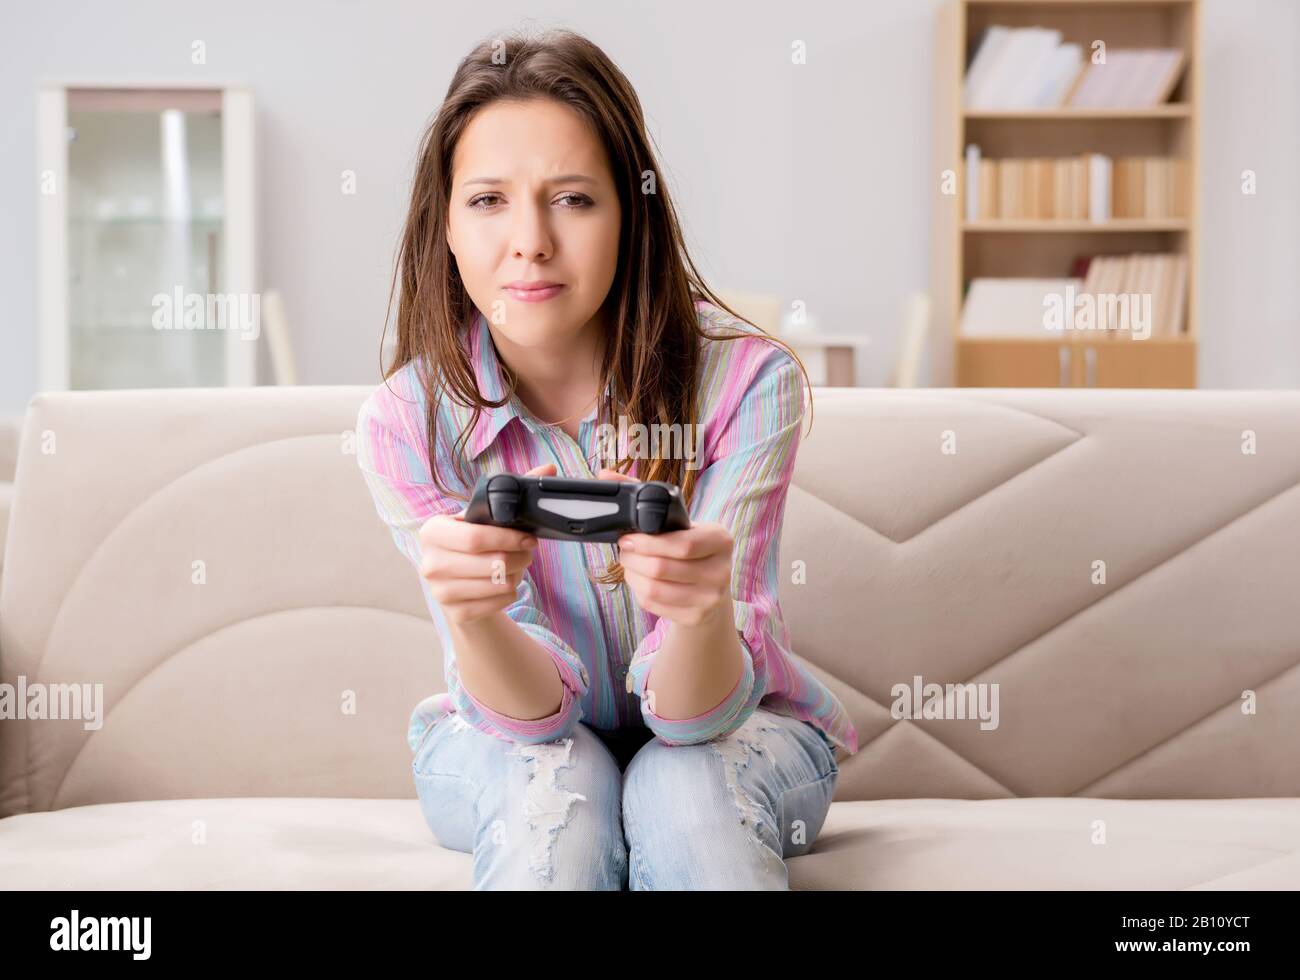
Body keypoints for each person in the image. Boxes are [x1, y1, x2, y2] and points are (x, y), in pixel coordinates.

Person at [355, 26, 858, 890]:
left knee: (681, 784)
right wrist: (475, 617)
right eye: (486, 201)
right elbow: (528, 721)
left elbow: (698, 719)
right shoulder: (405, 423)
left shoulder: (745, 384)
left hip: (737, 729)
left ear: (633, 213)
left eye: (574, 199)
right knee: (559, 783)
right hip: (505, 733)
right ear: (442, 224)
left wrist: (700, 619)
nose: (530, 242)